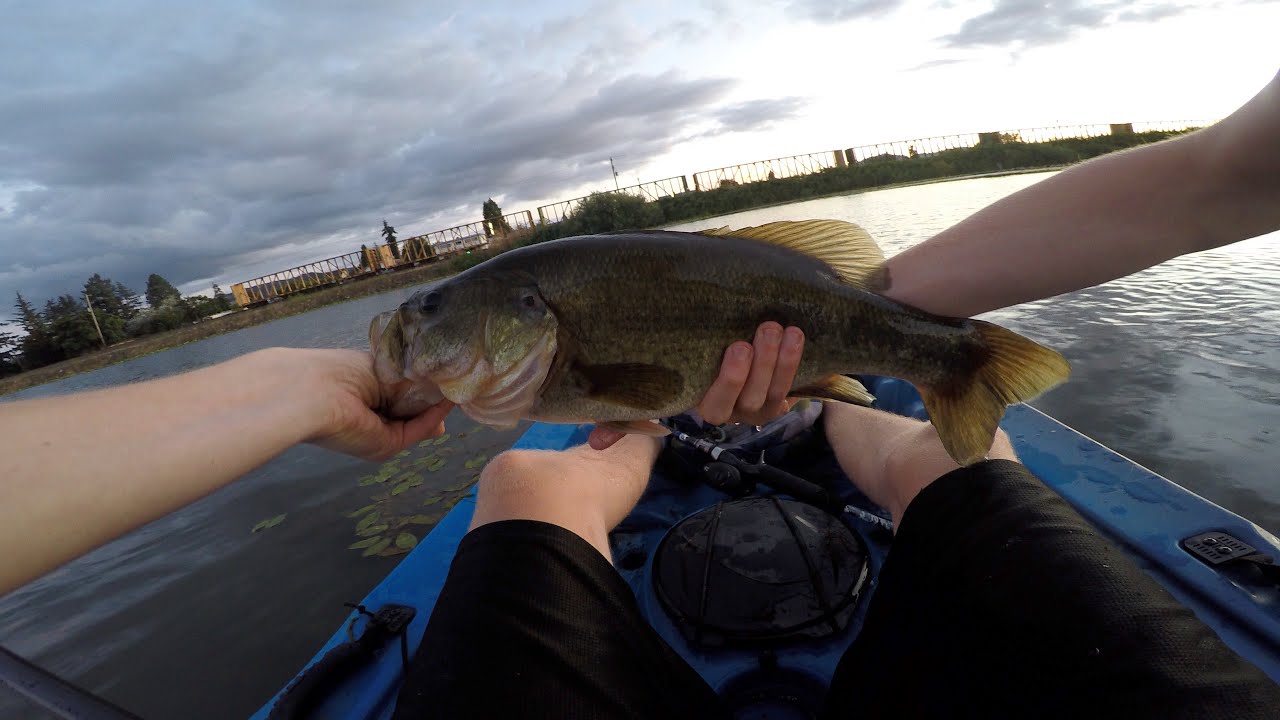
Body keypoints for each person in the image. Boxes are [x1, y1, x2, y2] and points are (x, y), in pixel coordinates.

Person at [0, 69, 1275, 716]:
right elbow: (1222, 171)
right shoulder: (529, 331)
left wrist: (854, 326)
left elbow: (1221, 171)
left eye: (440, 309)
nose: (416, 326)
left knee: (520, 474)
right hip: (784, 351)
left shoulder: (536, 349)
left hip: (678, 384)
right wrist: (860, 319)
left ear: (511, 315)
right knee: (956, 471)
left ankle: (782, 421)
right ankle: (855, 421)